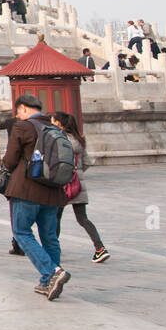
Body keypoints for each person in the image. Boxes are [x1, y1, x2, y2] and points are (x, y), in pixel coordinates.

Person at [1, 93, 71, 300]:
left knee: (21, 232)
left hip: (27, 189)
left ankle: (52, 272)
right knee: (49, 236)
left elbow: (10, 160)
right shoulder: (55, 128)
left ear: (23, 108)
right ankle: (47, 282)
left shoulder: (23, 127)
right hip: (52, 190)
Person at [52, 111, 108, 263]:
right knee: (83, 219)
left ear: (59, 123)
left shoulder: (60, 139)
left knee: (56, 217)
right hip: (78, 184)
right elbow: (87, 162)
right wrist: (78, 173)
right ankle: (100, 248)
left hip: (63, 184)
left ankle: (53, 248)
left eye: (53, 120)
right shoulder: (80, 140)